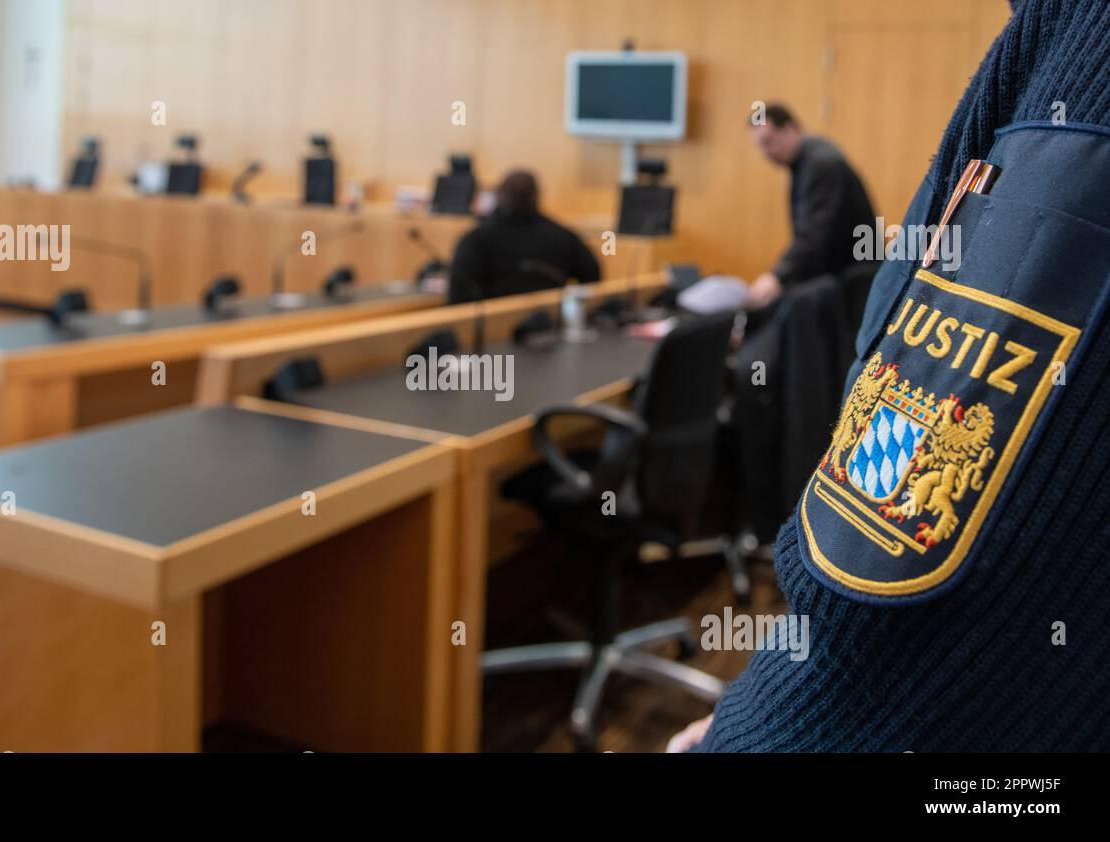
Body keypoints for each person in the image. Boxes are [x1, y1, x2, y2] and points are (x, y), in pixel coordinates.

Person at [672, 0, 1110, 752]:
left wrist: (752, 730)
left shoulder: (1078, 80)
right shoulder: (1037, 45)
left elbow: (894, 607)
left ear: (780, 130)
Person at [744, 103, 876, 308]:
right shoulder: (809, 159)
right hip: (844, 275)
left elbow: (814, 233)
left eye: (768, 142)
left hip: (852, 280)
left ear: (790, 129)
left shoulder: (820, 165)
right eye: (759, 145)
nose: (765, 153)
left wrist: (778, 277)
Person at [447, 170, 600, 304]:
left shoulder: (476, 239)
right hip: (551, 324)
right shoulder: (563, 236)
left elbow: (457, 297)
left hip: (491, 329)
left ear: (499, 195)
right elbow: (593, 277)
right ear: (537, 196)